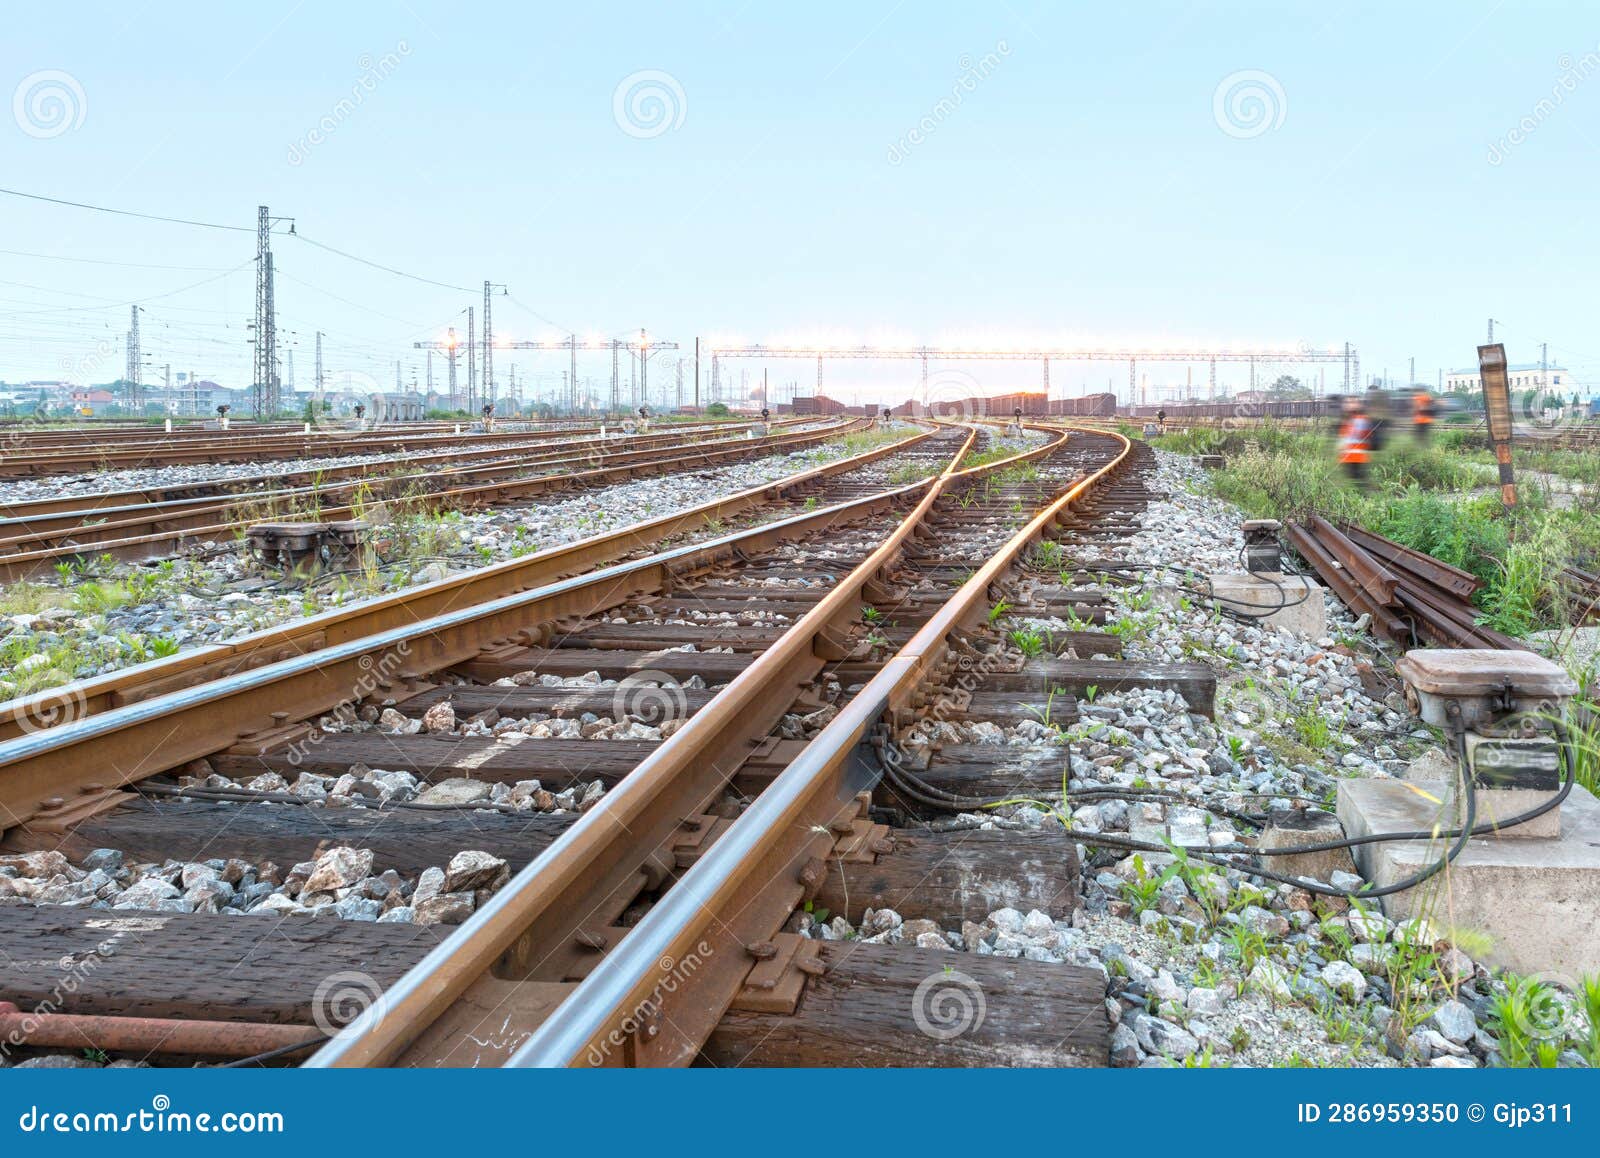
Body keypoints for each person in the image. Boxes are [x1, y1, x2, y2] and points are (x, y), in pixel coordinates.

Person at [1337, 396, 1372, 485]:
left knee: (1357, 480)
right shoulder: (1348, 420)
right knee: (1355, 480)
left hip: (1356, 455)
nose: (1347, 405)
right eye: (1347, 403)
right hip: (1350, 456)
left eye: (1351, 403)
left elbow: (1363, 435)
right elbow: (1343, 437)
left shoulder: (1360, 419)